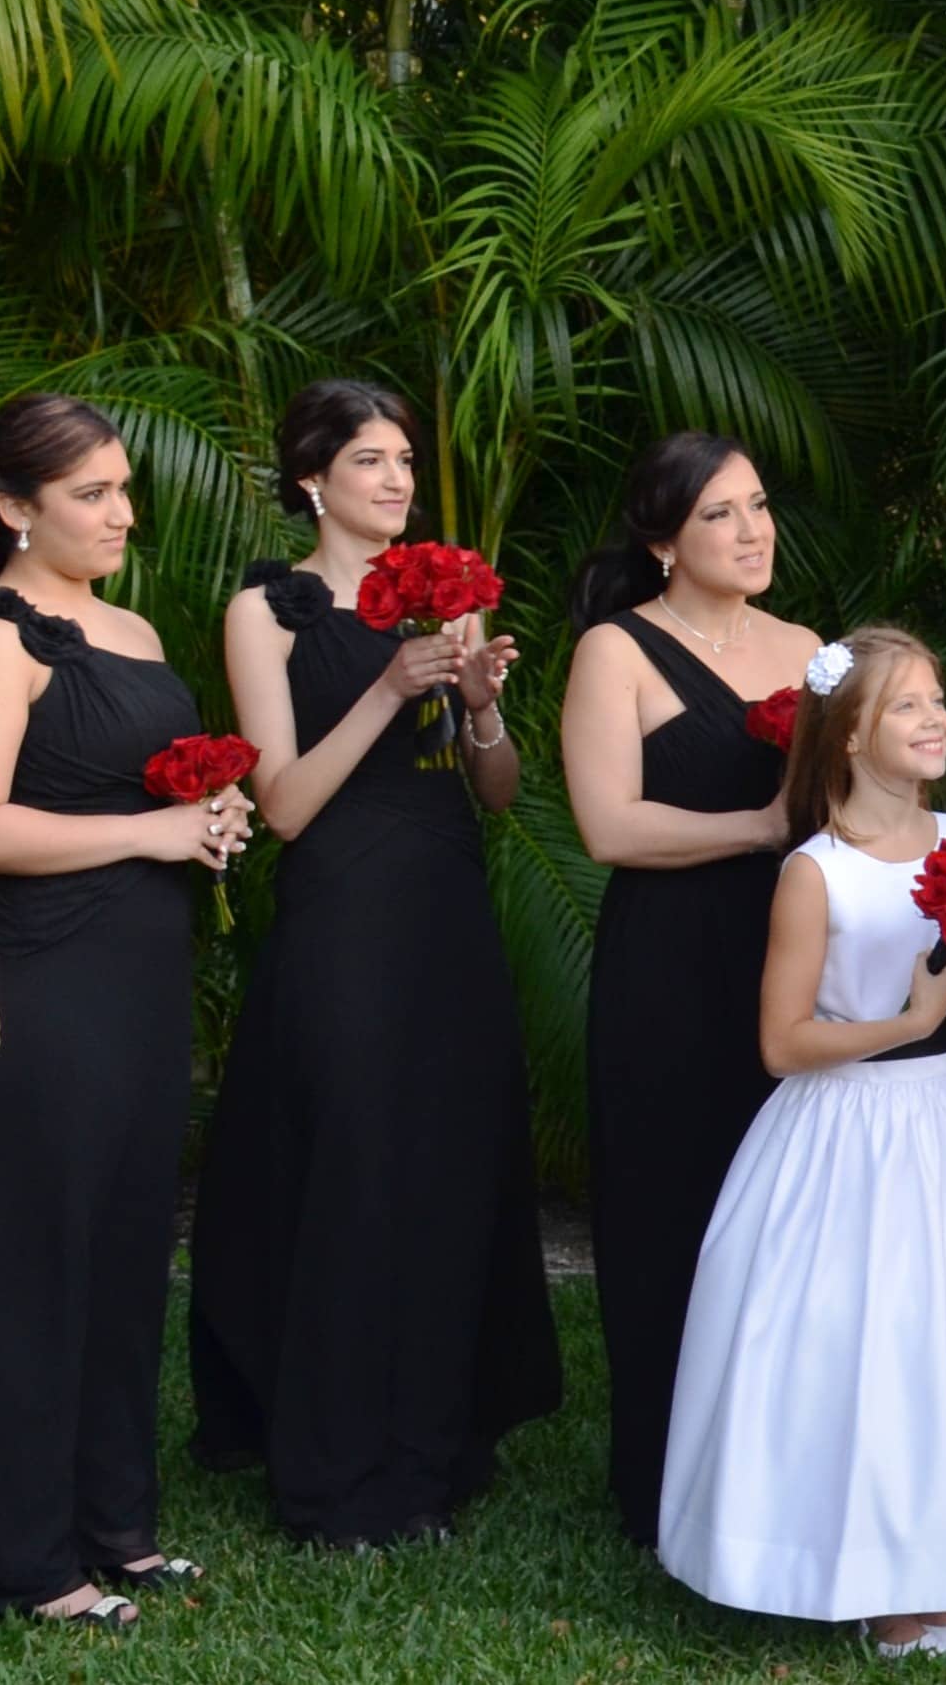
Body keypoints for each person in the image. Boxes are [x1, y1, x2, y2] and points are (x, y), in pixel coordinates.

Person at [658, 627, 946, 1656]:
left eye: (938, 699)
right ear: (847, 737)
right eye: (909, 705)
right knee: (880, 1345)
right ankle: (891, 1588)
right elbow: (784, 1042)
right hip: (852, 1135)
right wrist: (910, 1024)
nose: (939, 719)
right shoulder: (814, 873)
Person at [189, 377, 562, 1545]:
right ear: (312, 479)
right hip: (341, 916)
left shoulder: (446, 597)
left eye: (404, 458)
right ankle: (336, 1468)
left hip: (445, 910)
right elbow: (285, 802)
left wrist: (483, 703)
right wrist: (390, 685)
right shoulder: (270, 608)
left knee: (446, 1167)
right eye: (369, 459)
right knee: (352, 1169)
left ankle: (433, 1447)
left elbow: (493, 791)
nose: (396, 478)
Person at [0, 394, 252, 1631]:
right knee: (41, 1262)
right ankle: (33, 1556)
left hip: (146, 986)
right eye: (89, 493)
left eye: (121, 487)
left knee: (133, 1250)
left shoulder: (137, 629)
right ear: (14, 508)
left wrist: (208, 825)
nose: (121, 512)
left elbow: (145, 799)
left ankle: (118, 1524)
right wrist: (148, 830)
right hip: (46, 989)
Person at [561, 432, 824, 1545]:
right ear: (664, 540)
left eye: (759, 505)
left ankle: (780, 1461)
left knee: (789, 1212)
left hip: (796, 955)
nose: (753, 530)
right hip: (669, 956)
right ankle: (662, 1473)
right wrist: (760, 824)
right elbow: (608, 824)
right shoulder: (617, 651)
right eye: (722, 514)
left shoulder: (811, 646)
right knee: (673, 1203)